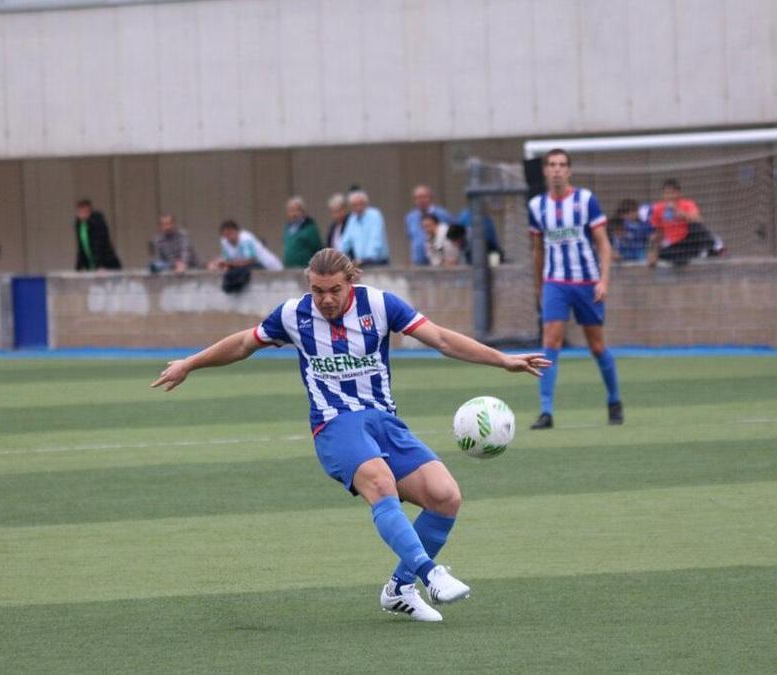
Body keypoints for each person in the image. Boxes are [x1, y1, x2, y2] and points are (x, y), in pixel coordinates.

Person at [151, 248, 549, 622]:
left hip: (383, 422)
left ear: (351, 281)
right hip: (335, 423)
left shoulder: (380, 305)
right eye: (317, 290)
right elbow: (242, 343)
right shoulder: (293, 315)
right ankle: (430, 574)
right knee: (380, 482)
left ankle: (399, 588)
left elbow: (442, 339)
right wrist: (191, 363)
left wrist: (503, 361)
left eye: (334, 290)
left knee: (446, 498)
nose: (325, 299)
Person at [528, 148, 623, 429]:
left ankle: (614, 400)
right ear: (545, 170)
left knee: (596, 345)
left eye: (562, 165)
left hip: (586, 282)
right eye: (552, 164)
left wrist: (603, 280)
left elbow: (603, 243)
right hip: (555, 282)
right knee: (551, 342)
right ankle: (546, 411)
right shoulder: (536, 206)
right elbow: (537, 251)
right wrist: (539, 288)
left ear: (569, 170)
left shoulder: (586, 200)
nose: (557, 169)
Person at [646, 179, 721, 266]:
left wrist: (680, 213)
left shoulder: (687, 204)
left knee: (695, 226)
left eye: (672, 193)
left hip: (690, 240)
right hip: (676, 244)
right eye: (666, 193)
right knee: (663, 254)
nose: (669, 196)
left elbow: (698, 219)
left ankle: (709, 250)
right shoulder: (657, 209)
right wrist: (653, 248)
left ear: (679, 193)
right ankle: (692, 256)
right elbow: (659, 232)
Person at [404, 185, 454, 266]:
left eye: (424, 197)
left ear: (431, 198)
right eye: (418, 198)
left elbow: (453, 237)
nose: (421, 200)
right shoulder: (410, 217)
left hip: (440, 263)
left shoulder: (443, 214)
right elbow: (411, 237)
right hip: (418, 262)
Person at [337, 190, 390, 266]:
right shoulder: (352, 219)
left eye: (361, 204)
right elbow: (345, 241)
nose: (358, 207)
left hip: (377, 261)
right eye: (355, 205)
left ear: (366, 204)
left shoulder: (375, 215)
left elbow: (376, 239)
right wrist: (337, 257)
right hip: (362, 262)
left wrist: (367, 259)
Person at [206, 219, 282, 271]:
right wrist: (216, 263)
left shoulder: (245, 239)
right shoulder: (224, 241)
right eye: (225, 235)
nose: (228, 238)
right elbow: (227, 260)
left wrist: (226, 264)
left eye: (230, 234)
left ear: (237, 231)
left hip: (269, 267)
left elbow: (250, 261)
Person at [74, 199, 122, 271]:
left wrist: (100, 264)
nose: (82, 214)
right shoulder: (79, 225)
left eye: (85, 212)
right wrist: (79, 266)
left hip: (106, 263)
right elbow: (82, 247)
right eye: (80, 212)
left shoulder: (97, 223)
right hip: (92, 265)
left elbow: (99, 245)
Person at [282, 196, 323, 268]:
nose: (294, 214)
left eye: (297, 210)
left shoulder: (310, 228)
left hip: (305, 270)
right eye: (291, 210)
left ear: (303, 212)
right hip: (289, 270)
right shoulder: (287, 229)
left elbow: (318, 250)